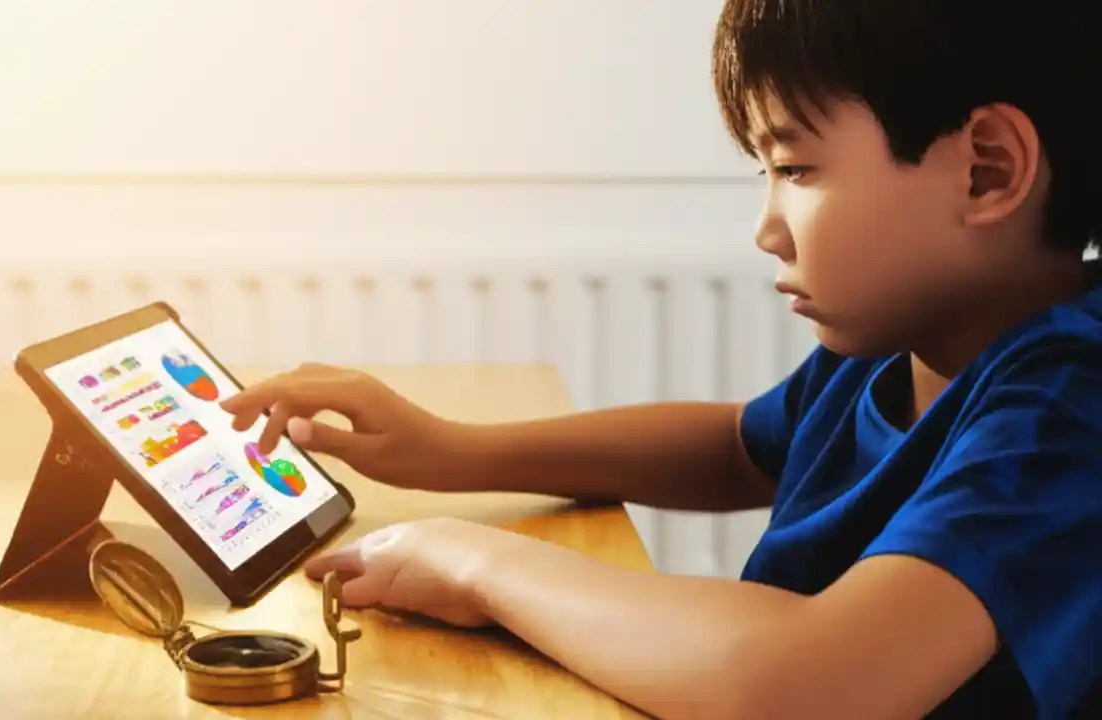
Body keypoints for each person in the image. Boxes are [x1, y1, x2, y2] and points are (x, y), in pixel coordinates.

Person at [220, 1, 1102, 717]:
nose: (766, 229)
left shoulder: (1070, 403)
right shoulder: (898, 343)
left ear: (986, 169)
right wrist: (451, 450)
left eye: (796, 168)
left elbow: (812, 684)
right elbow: (736, 449)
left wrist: (478, 562)